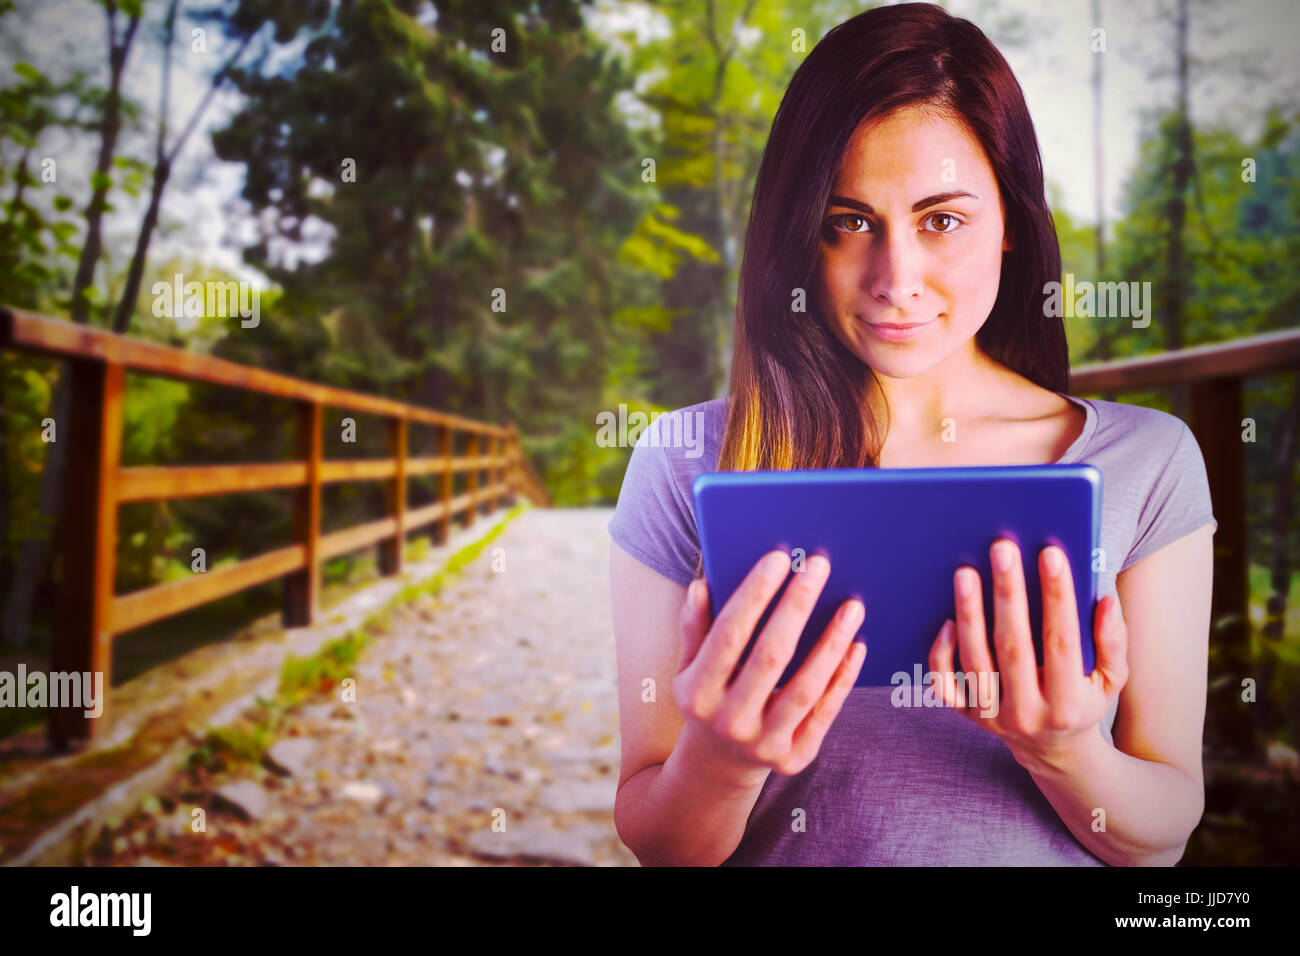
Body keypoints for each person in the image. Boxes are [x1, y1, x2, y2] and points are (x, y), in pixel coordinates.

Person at [606, 2, 1217, 866]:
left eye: (941, 220)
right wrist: (724, 763)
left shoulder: (1148, 461)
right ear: (799, 236)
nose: (897, 280)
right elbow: (664, 845)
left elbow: (1159, 837)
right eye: (848, 221)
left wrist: (1063, 750)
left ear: (1011, 224)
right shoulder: (680, 464)